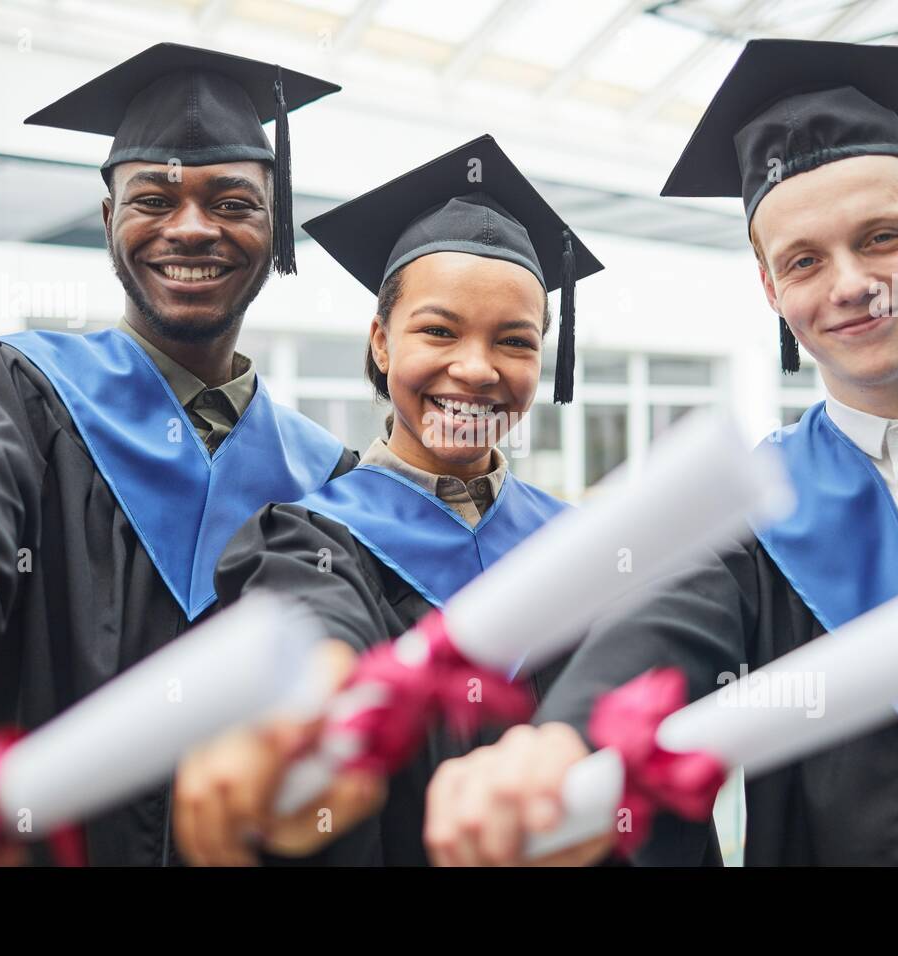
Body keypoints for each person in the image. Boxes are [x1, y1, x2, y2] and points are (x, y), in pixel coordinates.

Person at [423, 39, 898, 866]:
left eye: (881, 238)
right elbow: (656, 629)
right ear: (770, 290)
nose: (851, 283)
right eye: (803, 260)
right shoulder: (757, 506)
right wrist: (563, 744)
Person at [0, 43, 355, 866]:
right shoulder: (1, 389)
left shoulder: (327, 481)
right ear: (110, 222)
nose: (190, 226)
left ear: (273, 227)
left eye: (230, 200)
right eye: (154, 197)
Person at [171, 134, 606, 866]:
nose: (476, 369)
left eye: (515, 342)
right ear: (380, 341)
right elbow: (312, 626)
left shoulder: (581, 547)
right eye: (437, 330)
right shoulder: (311, 541)